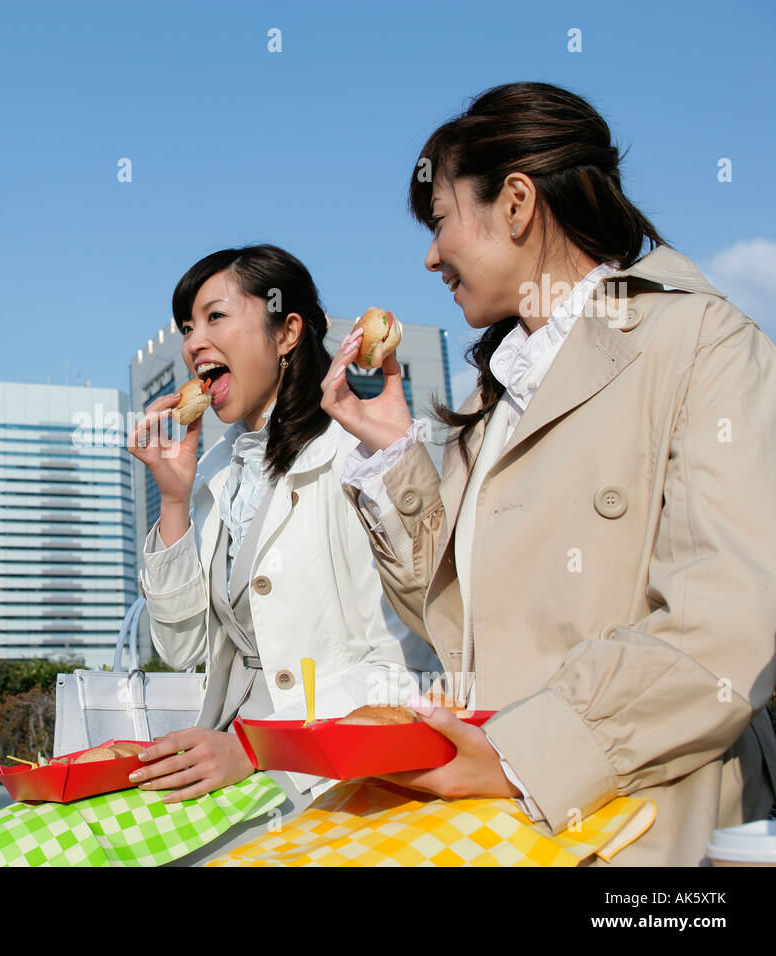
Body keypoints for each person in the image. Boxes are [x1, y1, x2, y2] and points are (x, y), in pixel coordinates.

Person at [320, 81, 776, 866]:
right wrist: (391, 446)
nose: (430, 256)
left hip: (648, 823)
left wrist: (525, 754)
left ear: (517, 203)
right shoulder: (494, 396)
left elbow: (729, 619)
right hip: (502, 824)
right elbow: (456, 624)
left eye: (439, 222)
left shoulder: (702, 342)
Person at [128, 244, 441, 863]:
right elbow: (182, 648)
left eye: (215, 318)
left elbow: (401, 665)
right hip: (229, 763)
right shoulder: (218, 469)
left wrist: (258, 748)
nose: (193, 344)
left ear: (287, 332)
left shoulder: (354, 452)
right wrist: (172, 502)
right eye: (188, 327)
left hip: (323, 774)